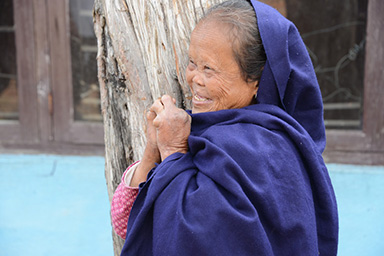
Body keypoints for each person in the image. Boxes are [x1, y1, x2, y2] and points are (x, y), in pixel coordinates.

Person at [111, 0, 339, 255]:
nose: (195, 79)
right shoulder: (197, 131)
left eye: (209, 69)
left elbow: (194, 239)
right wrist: (154, 151)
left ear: (257, 80)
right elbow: (126, 220)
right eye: (192, 63)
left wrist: (173, 151)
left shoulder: (270, 151)